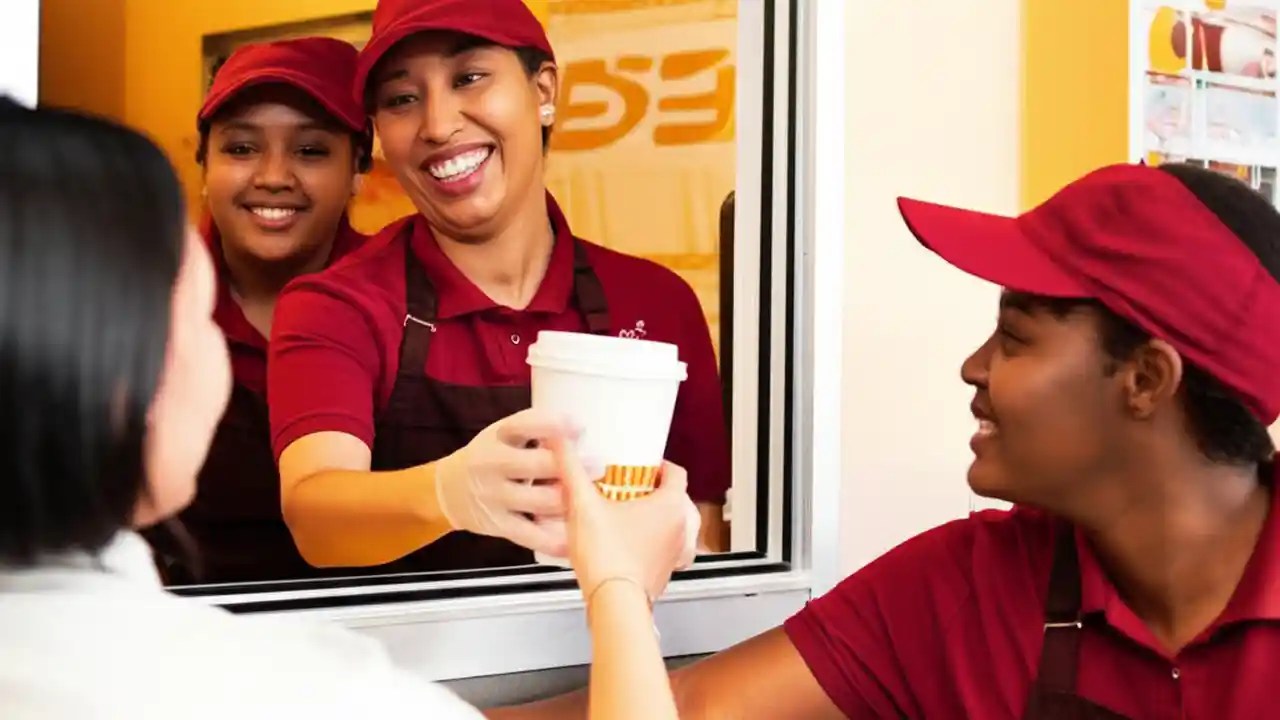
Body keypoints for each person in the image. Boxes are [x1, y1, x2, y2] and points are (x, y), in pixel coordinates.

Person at [490, 162, 1280, 719]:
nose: (973, 368)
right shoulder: (965, 590)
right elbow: (690, 709)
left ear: (1144, 380)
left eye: (1014, 337)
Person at [0, 98, 689, 720]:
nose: (439, 121)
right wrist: (621, 591)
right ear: (120, 374)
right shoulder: (307, 696)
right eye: (197, 312)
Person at [268, 0, 730, 573]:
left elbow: (706, 532)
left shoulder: (657, 303)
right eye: (402, 99)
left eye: (469, 78)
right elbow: (316, 517)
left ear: (543, 91)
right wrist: (449, 492)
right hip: (402, 659)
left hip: (612, 654)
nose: (437, 124)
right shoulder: (338, 306)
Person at [143, 37, 373, 584]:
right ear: (203, 163)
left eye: (310, 151)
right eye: (241, 149)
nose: (272, 176)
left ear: (358, 168)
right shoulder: (143, 298)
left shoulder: (404, 298)